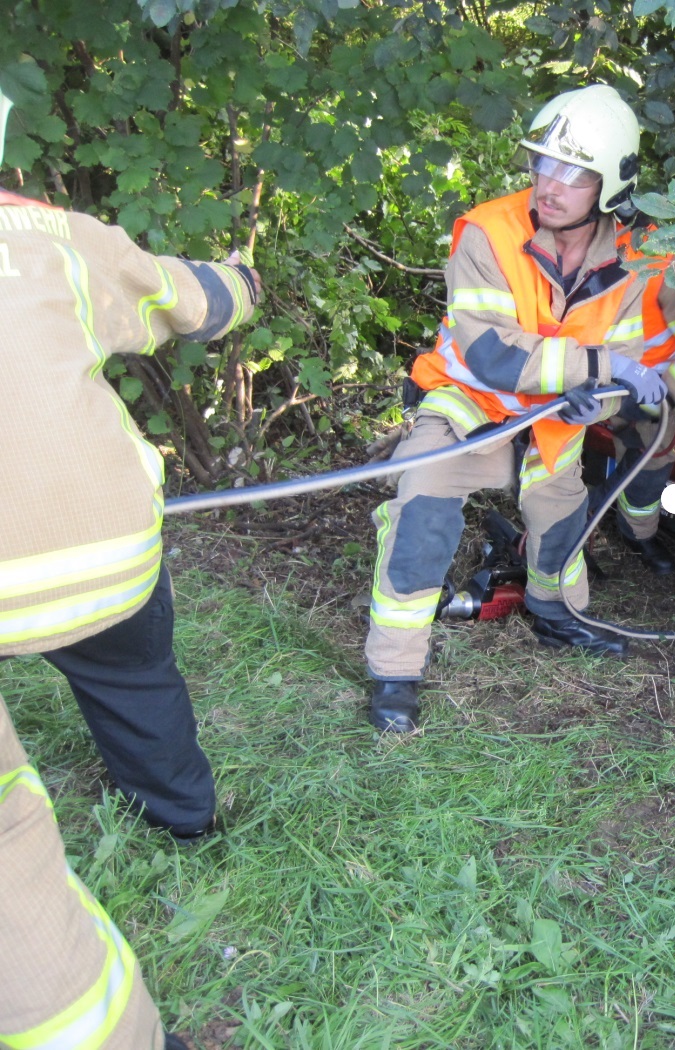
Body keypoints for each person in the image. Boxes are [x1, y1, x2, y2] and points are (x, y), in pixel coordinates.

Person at [0, 85, 257, 1050]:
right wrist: (242, 277)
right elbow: (190, 303)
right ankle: (183, 812)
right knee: (135, 673)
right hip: (100, 557)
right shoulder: (54, 237)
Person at [364, 84, 667, 732]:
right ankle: (393, 675)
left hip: (552, 422)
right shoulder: (488, 231)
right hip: (467, 407)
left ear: (612, 185)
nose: (548, 184)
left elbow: (623, 360)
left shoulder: (631, 259)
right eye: (541, 163)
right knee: (420, 515)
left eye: (573, 173)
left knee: (563, 520)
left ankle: (557, 616)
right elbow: (494, 355)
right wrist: (600, 369)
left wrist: (597, 401)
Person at [601, 255, 675, 575]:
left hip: (646, 394)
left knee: (649, 468)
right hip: (572, 383)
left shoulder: (664, 256)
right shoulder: (556, 239)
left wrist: (663, 400)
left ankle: (637, 533)